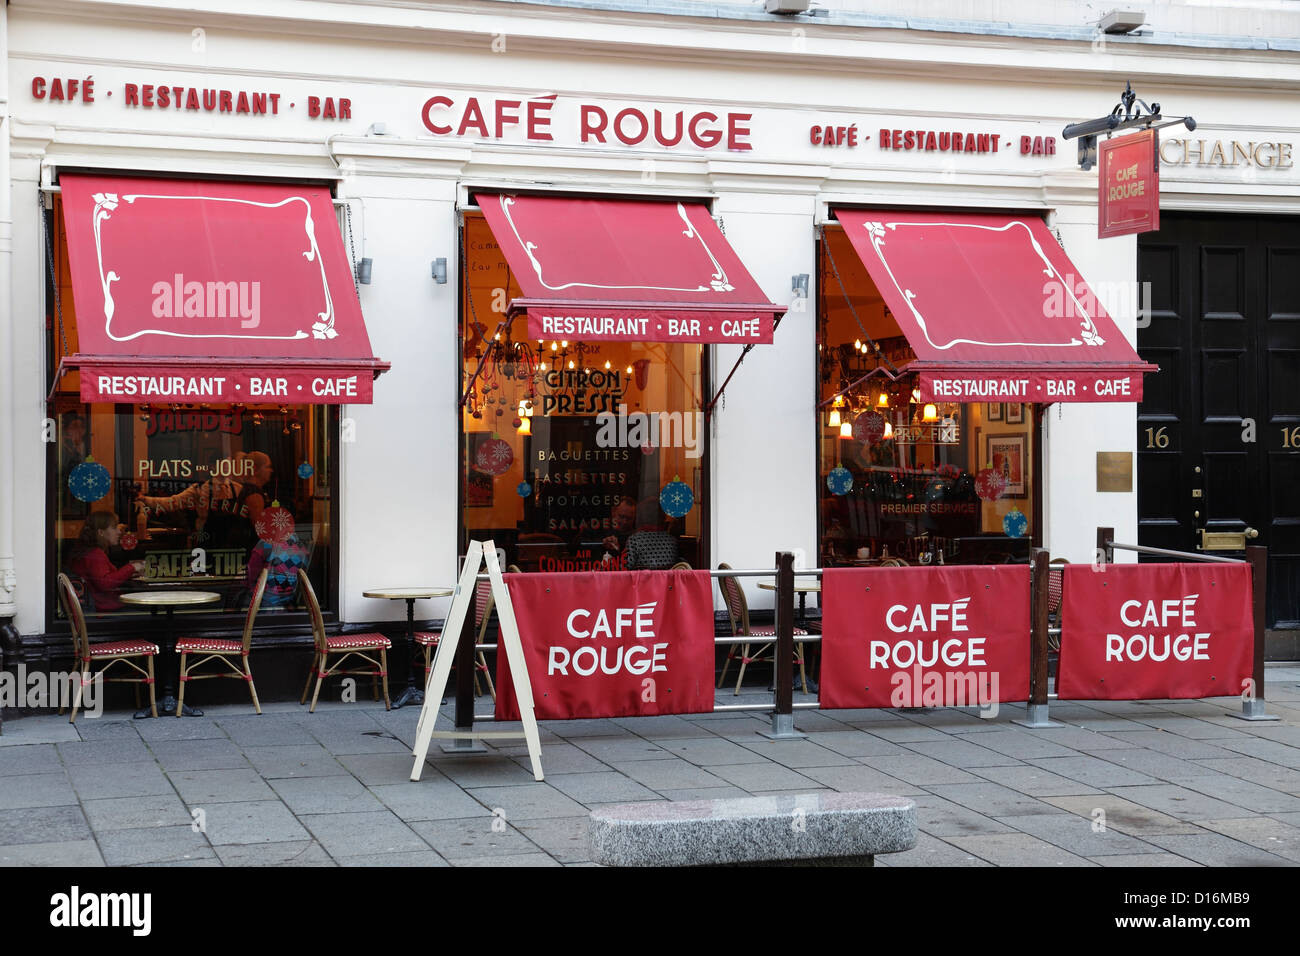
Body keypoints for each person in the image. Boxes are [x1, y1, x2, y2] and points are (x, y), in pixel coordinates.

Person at [68, 511, 145, 612]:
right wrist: (132, 567)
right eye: (114, 528)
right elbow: (105, 583)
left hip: (99, 609)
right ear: (101, 533)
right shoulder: (95, 554)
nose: (119, 532)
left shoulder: (88, 551)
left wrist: (129, 572)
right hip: (104, 611)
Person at [246, 532, 310, 609]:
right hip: (293, 603)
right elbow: (304, 576)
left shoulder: (265, 543)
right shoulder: (302, 547)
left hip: (267, 603)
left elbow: (251, 576)